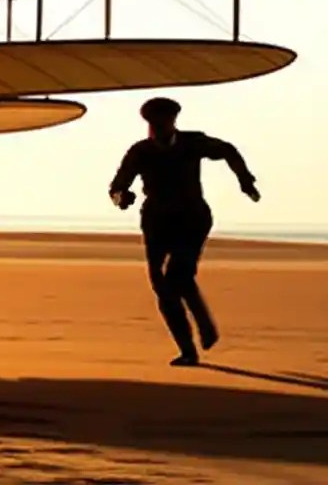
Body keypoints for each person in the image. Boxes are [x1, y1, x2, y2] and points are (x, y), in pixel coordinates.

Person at [108, 96, 261, 367]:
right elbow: (117, 186)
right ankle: (188, 349)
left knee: (178, 275)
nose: (160, 129)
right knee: (162, 285)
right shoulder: (140, 151)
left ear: (173, 121)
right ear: (148, 124)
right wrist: (122, 198)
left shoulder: (192, 142)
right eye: (155, 124)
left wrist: (245, 180)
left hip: (192, 218)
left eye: (164, 123)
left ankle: (202, 324)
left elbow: (228, 150)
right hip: (157, 220)